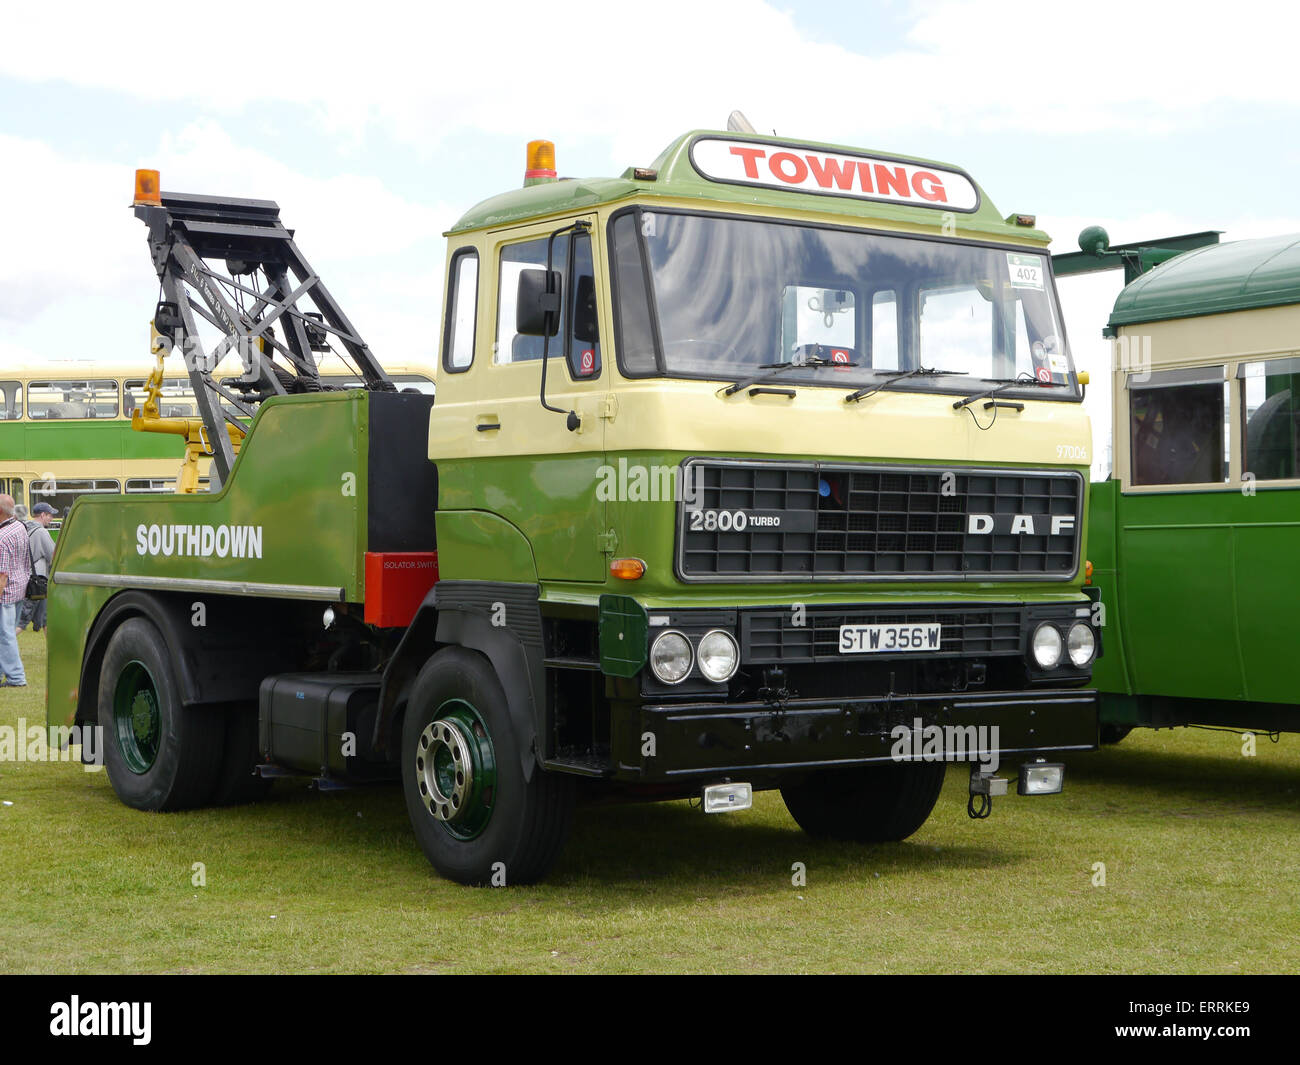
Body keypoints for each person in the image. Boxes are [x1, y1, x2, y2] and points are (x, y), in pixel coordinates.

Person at [0, 494, 31, 687]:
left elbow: (1, 575)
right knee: (6, 633)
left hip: (6, 593)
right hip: (21, 587)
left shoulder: (2, 538)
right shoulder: (19, 527)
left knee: (5, 635)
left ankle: (16, 677)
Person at [17, 502, 57, 634]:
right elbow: (53, 555)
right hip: (37, 582)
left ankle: (53, 653)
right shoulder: (41, 532)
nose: (51, 519)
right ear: (42, 514)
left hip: (29, 580)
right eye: (50, 515)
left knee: (47, 620)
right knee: (21, 623)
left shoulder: (24, 528)